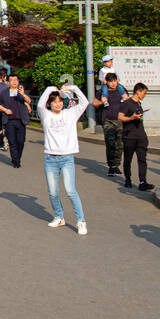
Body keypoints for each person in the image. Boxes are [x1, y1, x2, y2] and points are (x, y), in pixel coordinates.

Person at [36, 83, 90, 233]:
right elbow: (40, 104)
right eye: (55, 102)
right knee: (53, 191)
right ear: (50, 103)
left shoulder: (70, 114)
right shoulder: (45, 115)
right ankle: (59, 217)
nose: (58, 104)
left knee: (70, 190)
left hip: (66, 158)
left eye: (60, 102)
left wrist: (72, 88)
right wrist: (50, 89)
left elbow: (84, 102)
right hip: (50, 158)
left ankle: (81, 221)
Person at [92, 72, 127, 178]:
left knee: (120, 144)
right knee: (110, 143)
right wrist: (102, 102)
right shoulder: (102, 91)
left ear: (117, 81)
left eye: (114, 81)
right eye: (110, 81)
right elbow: (94, 103)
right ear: (106, 82)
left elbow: (128, 101)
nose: (113, 83)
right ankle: (111, 166)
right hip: (108, 120)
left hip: (120, 120)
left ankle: (117, 165)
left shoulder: (121, 90)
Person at [118, 83, 151, 191]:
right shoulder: (127, 103)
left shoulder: (139, 104)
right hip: (129, 136)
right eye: (144, 93)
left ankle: (143, 181)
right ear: (138, 91)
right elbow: (120, 117)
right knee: (128, 159)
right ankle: (128, 179)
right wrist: (132, 117)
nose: (144, 95)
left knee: (142, 159)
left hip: (141, 136)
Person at [0, 73, 32, 169]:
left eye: (16, 80)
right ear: (8, 82)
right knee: (12, 142)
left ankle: (17, 157)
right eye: (12, 80)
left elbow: (29, 101)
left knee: (21, 141)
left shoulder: (21, 91)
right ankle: (16, 161)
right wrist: (5, 110)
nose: (14, 82)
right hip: (9, 121)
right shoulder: (4, 92)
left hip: (21, 120)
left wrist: (23, 94)